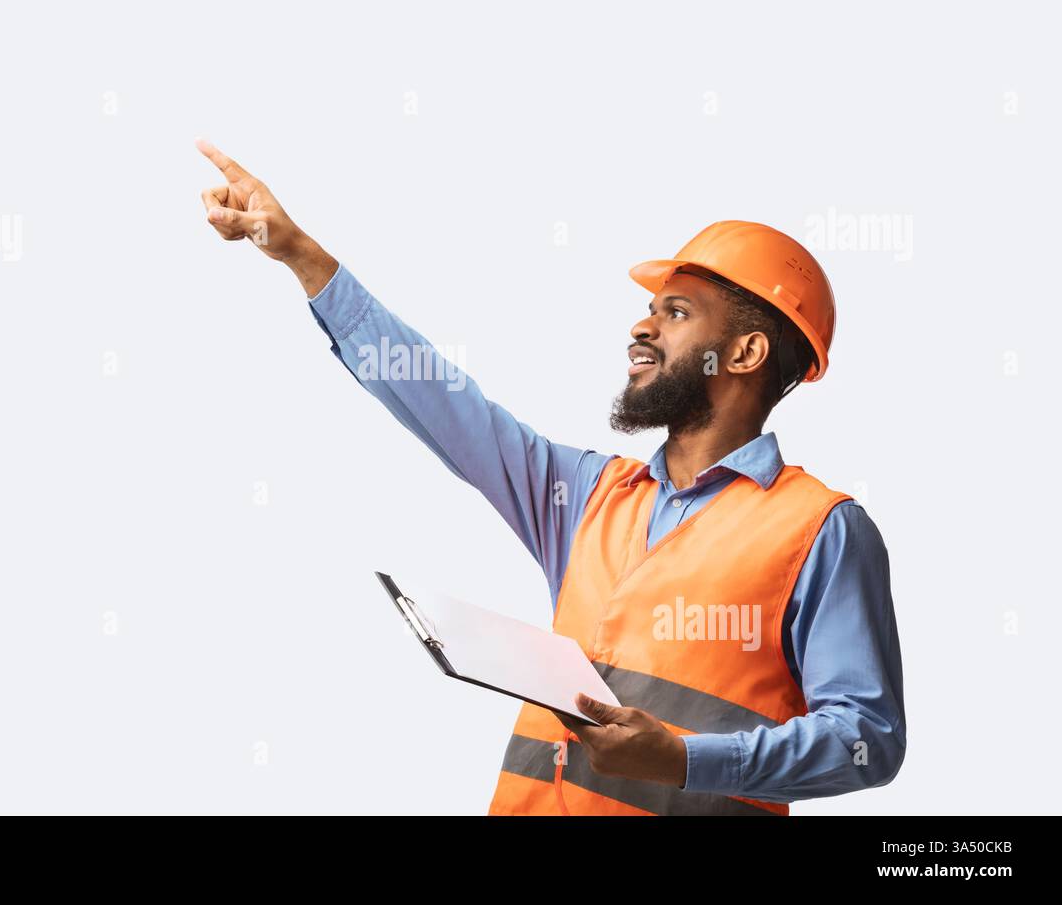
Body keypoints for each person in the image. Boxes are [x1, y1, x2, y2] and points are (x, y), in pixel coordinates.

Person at [197, 138, 906, 816]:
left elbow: (866, 737)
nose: (642, 328)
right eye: (650, 308)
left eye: (677, 312)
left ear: (747, 351)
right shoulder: (587, 497)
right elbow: (446, 404)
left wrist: (687, 759)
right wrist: (302, 257)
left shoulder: (821, 529)